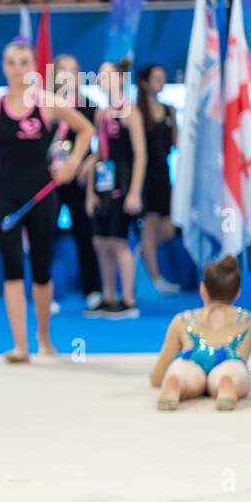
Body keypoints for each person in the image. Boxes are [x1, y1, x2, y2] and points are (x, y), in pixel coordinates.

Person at [0, 41, 93, 361]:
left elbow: (86, 129)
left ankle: (43, 336)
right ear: (3, 67)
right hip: (5, 196)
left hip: (42, 196)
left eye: (23, 62)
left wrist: (72, 164)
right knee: (12, 268)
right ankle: (20, 345)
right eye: (11, 62)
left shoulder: (46, 103)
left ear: (33, 66)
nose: (17, 68)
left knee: (42, 268)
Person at [151, 255, 251, 412]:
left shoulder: (182, 319)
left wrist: (160, 377)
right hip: (227, 359)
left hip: (192, 358)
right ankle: (226, 383)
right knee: (233, 370)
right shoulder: (247, 319)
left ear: (202, 289)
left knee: (181, 370)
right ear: (237, 293)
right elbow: (242, 358)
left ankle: (176, 382)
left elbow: (158, 374)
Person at [84, 60, 145, 319]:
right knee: (100, 241)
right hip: (103, 182)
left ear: (120, 80)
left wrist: (134, 192)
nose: (101, 80)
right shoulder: (101, 114)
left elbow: (141, 155)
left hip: (123, 180)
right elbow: (99, 153)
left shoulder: (130, 113)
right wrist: (89, 190)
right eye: (99, 76)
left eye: (106, 76)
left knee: (119, 241)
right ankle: (108, 296)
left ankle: (128, 299)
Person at [49, 54, 102, 310]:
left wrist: (86, 163)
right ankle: (45, 292)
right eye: (63, 70)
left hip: (79, 179)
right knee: (44, 235)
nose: (68, 76)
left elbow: (102, 146)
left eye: (73, 71)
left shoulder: (89, 106)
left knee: (85, 234)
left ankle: (92, 290)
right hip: (51, 180)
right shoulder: (44, 104)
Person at [134, 64, 179, 294]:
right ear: (144, 82)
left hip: (163, 173)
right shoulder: (137, 112)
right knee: (149, 226)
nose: (161, 81)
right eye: (156, 77)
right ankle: (155, 278)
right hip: (145, 175)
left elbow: (177, 143)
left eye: (164, 77)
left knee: (169, 228)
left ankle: (142, 250)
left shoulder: (169, 110)